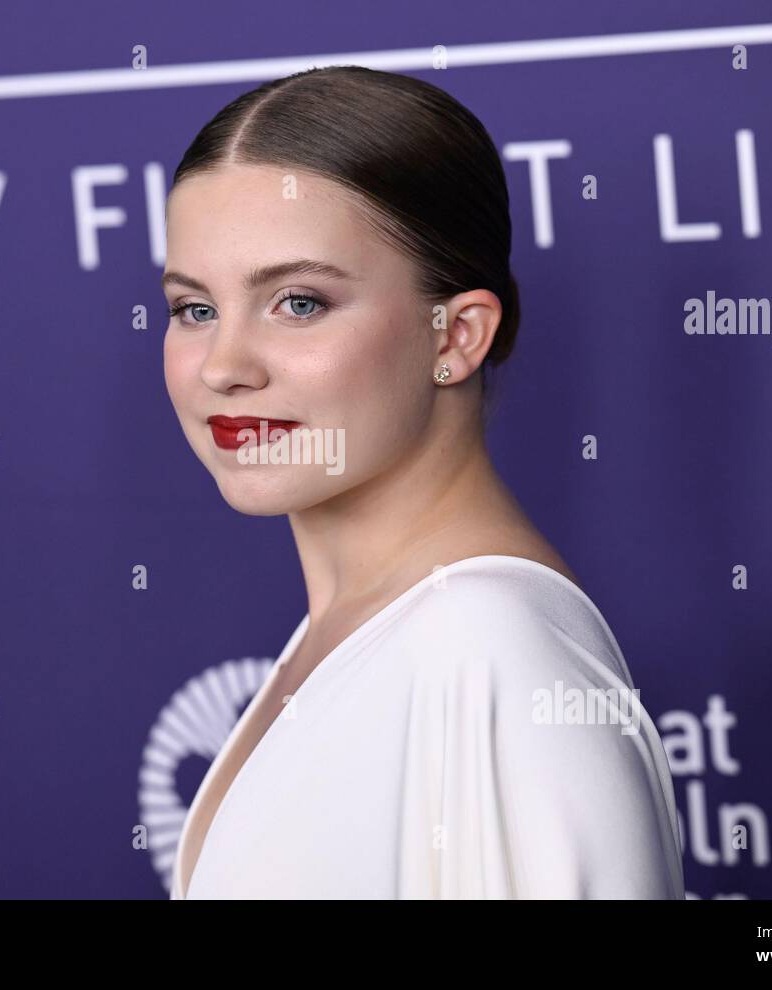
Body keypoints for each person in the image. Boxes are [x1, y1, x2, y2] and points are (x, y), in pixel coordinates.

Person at [161, 65, 684, 899]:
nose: (224, 367)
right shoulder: (373, 633)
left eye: (297, 302)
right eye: (194, 309)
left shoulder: (485, 651)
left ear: (459, 335)